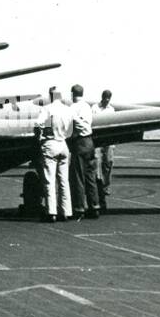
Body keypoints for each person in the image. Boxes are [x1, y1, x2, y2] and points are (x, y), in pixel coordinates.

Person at [36, 88, 74, 222]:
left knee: (49, 180)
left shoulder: (46, 109)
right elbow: (70, 130)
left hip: (50, 144)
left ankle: (51, 212)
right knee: (64, 180)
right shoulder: (68, 109)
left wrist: (40, 137)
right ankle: (66, 211)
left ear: (50, 96)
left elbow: (38, 124)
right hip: (63, 144)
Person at [67, 83, 100, 219]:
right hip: (89, 142)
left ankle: (79, 208)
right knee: (90, 176)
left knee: (78, 177)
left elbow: (72, 123)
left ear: (72, 94)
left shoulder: (72, 108)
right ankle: (95, 206)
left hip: (79, 143)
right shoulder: (87, 106)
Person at [94, 89, 114, 209]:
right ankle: (99, 186)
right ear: (102, 97)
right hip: (97, 140)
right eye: (105, 98)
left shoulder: (111, 110)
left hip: (109, 140)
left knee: (108, 163)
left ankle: (106, 186)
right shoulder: (95, 108)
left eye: (108, 98)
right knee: (97, 163)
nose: (106, 100)